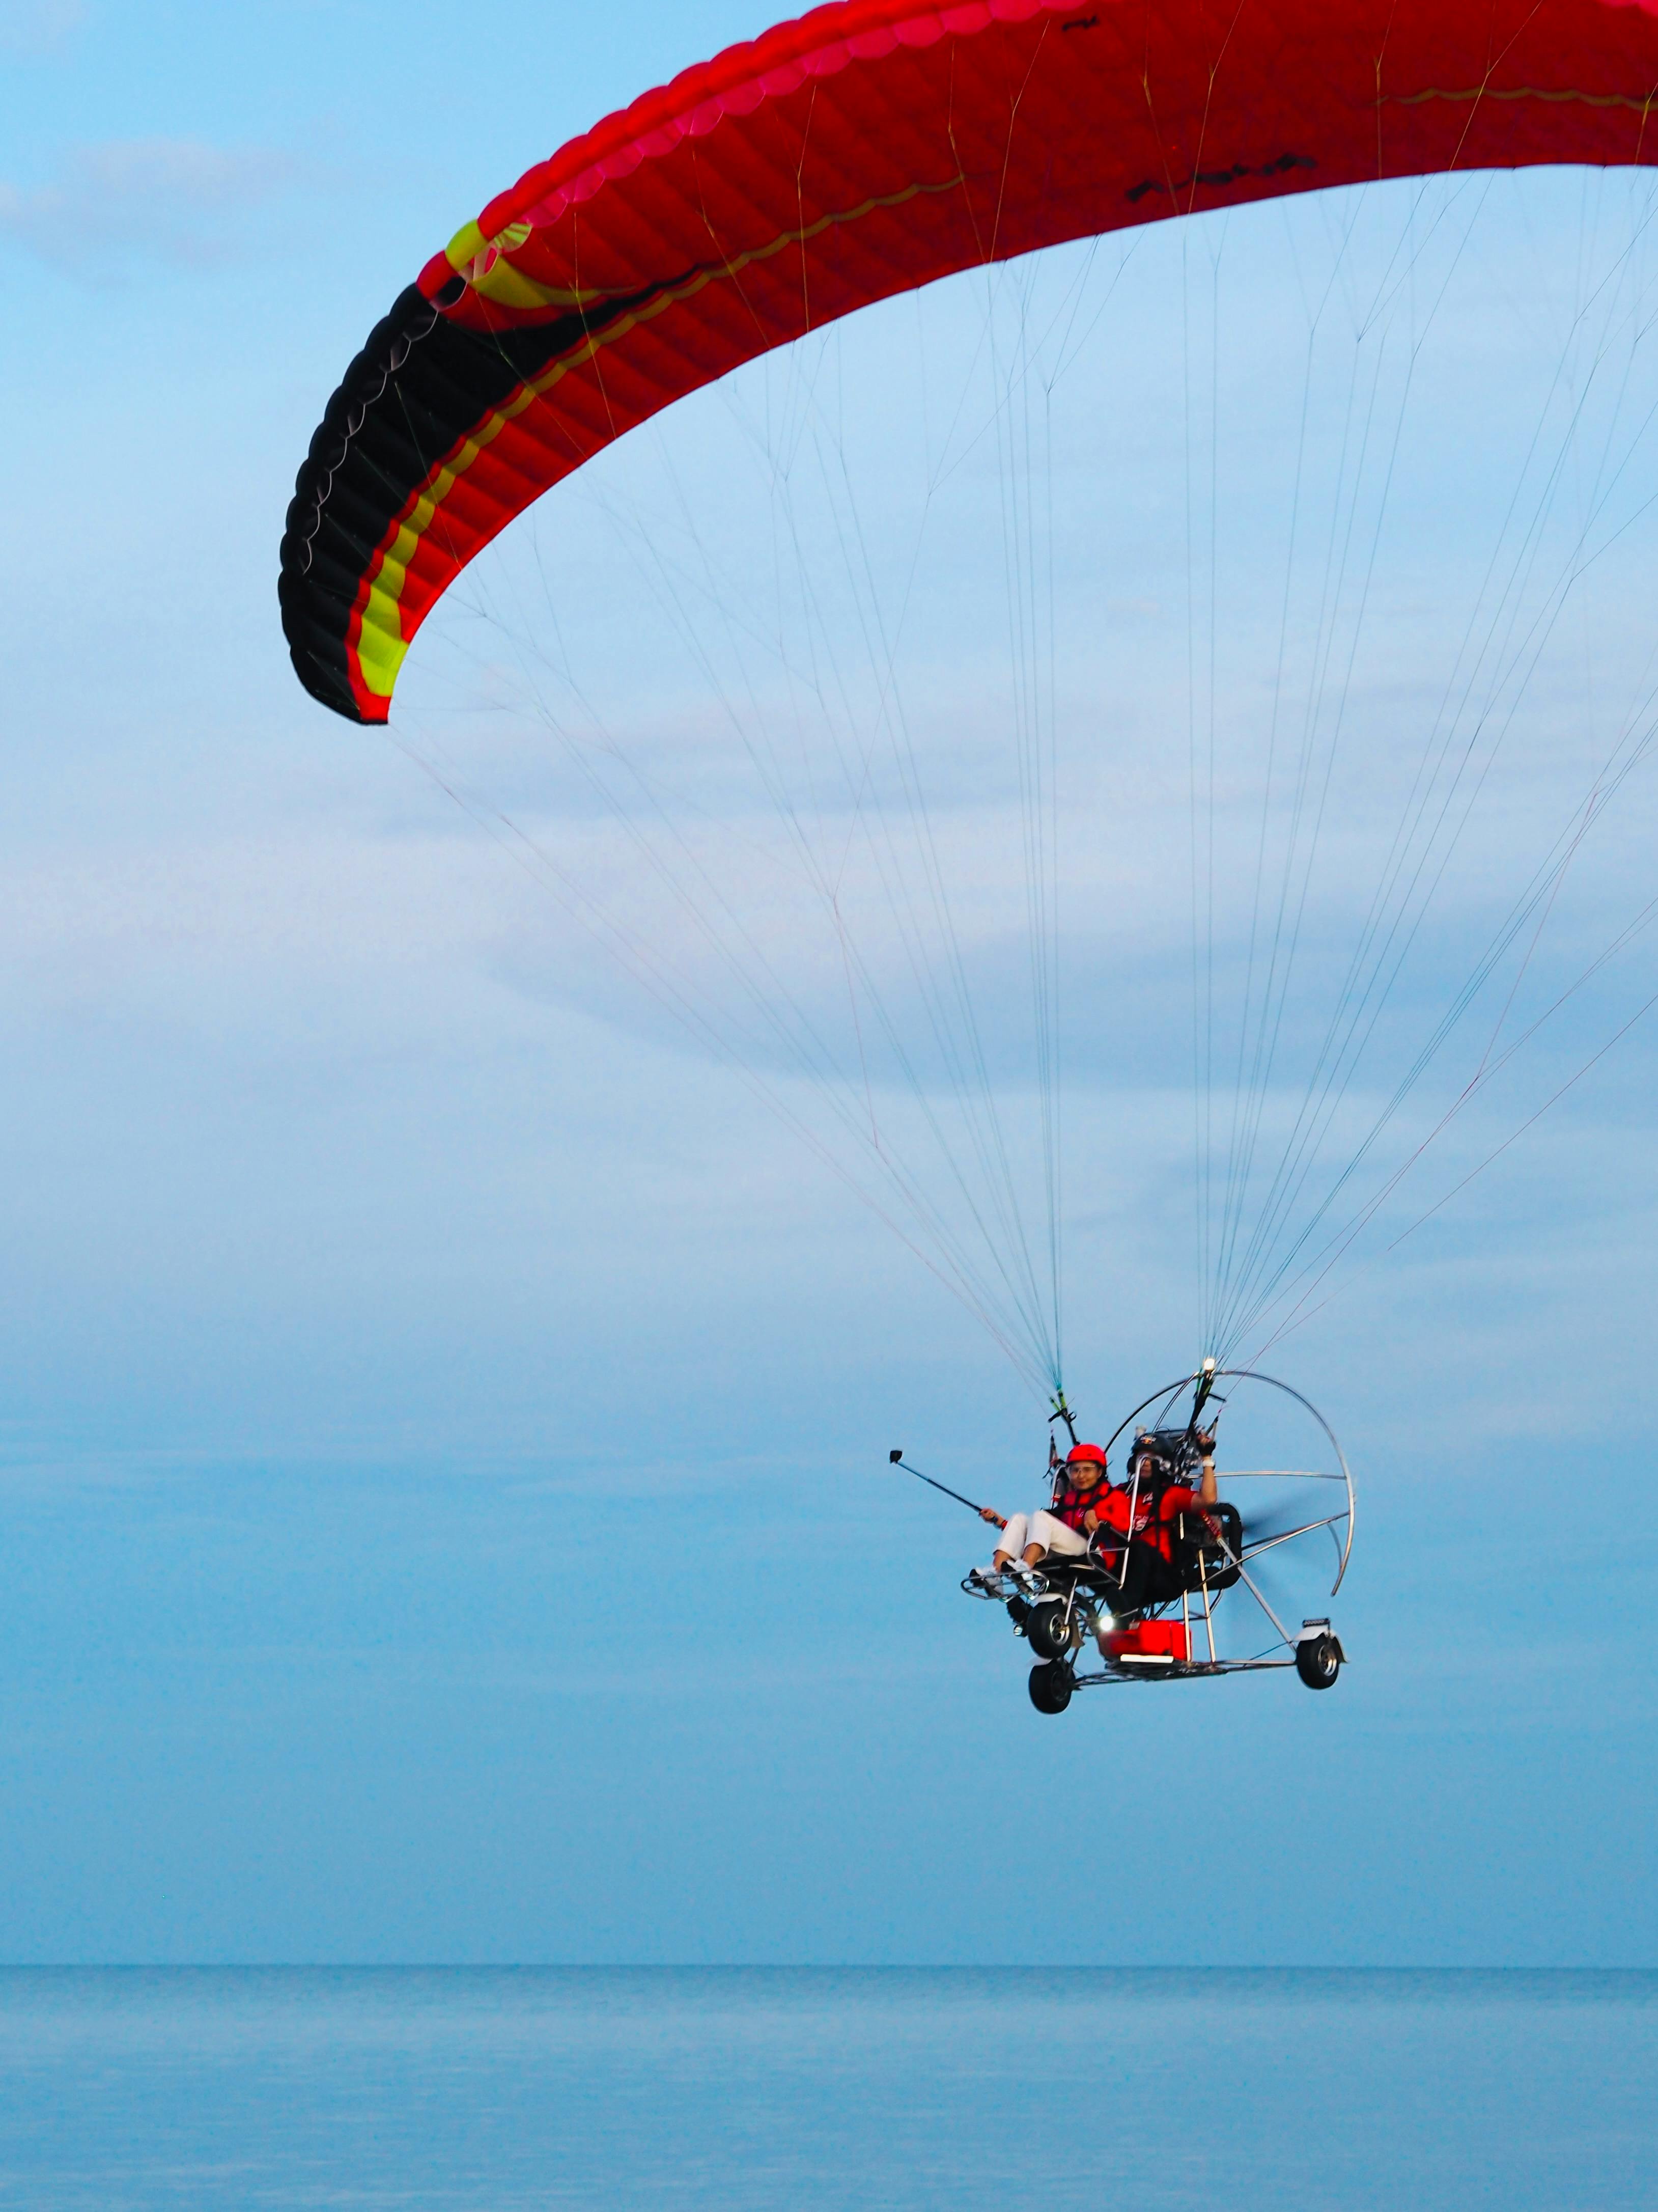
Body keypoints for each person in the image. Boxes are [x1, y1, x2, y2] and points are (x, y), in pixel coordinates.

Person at [971, 1442, 1114, 1587]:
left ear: (1100, 1472)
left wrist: (1097, 1515)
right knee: (1020, 1519)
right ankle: (995, 1573)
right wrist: (1000, 1522)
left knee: (1041, 1517)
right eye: (1075, 1470)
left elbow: (1124, 1522)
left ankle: (1026, 1569)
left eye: (1087, 1470)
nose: (1081, 1475)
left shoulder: (1111, 1496)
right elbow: (1039, 1530)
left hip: (1093, 1550)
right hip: (1066, 1549)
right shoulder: (1070, 1500)